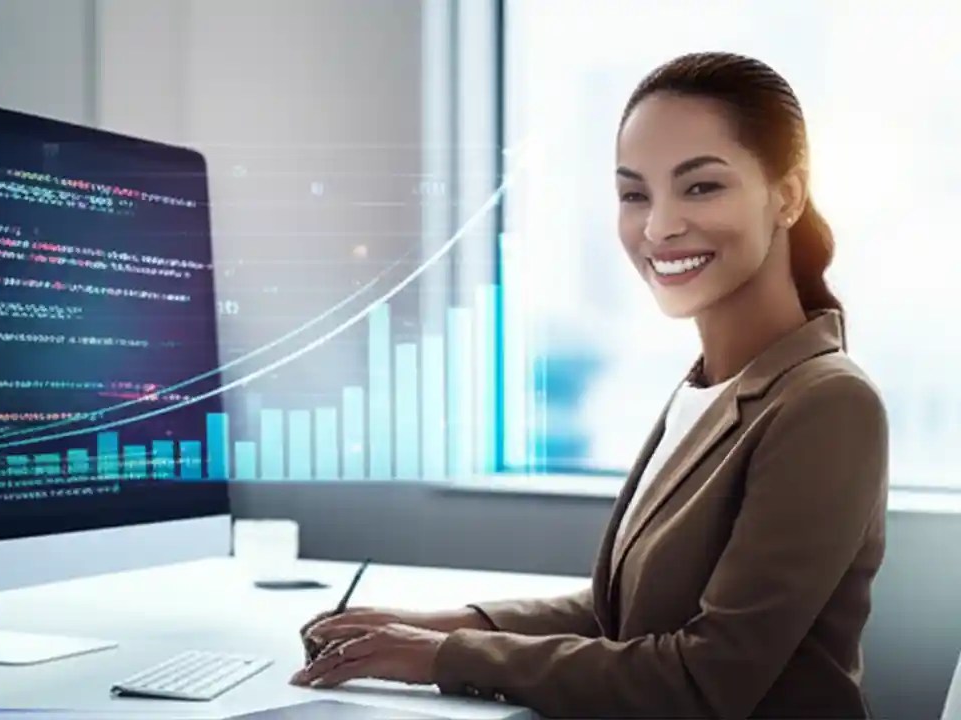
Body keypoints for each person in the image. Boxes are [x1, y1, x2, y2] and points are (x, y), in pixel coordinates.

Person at [290, 51, 889, 719]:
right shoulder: (708, 390)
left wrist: (440, 657)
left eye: (700, 187)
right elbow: (622, 612)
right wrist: (443, 623)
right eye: (635, 194)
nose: (658, 226)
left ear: (787, 196)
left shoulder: (826, 402)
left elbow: (708, 676)